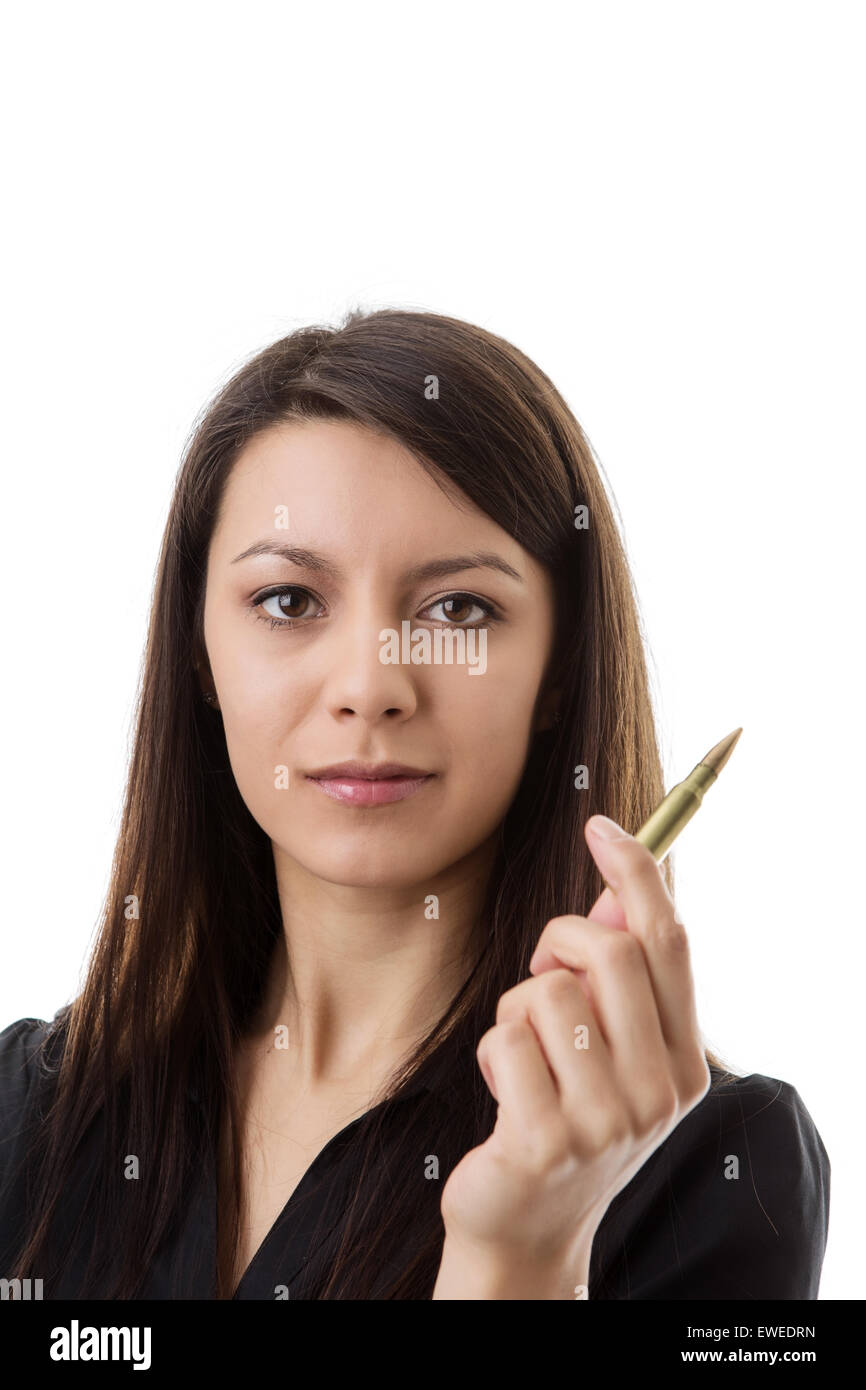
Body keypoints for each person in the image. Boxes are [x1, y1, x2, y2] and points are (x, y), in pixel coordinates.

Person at [0, 308, 830, 1300]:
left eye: (457, 609)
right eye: (287, 601)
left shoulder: (716, 1167)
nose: (370, 684)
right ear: (198, 650)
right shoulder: (30, 1112)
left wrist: (519, 1260)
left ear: (557, 671)